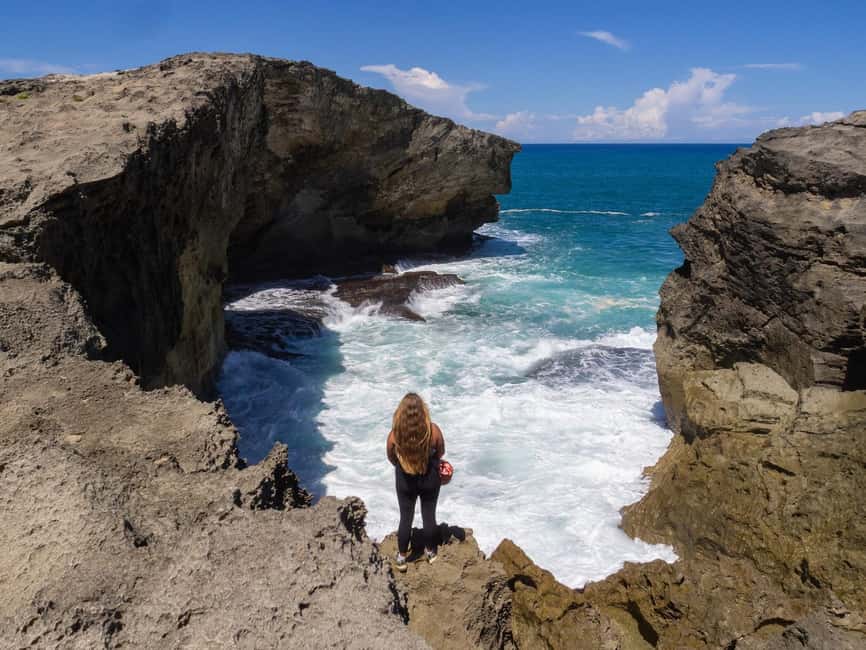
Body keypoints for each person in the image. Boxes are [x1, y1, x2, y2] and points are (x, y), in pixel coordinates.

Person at [386, 392, 445, 571]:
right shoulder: (433, 430)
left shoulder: (395, 435)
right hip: (430, 479)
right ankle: (430, 552)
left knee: (406, 518)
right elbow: (441, 452)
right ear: (423, 411)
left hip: (405, 481)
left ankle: (402, 558)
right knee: (429, 515)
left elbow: (391, 457)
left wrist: (405, 465)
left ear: (401, 413)